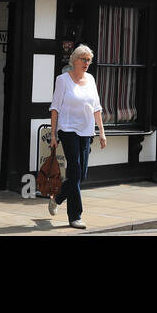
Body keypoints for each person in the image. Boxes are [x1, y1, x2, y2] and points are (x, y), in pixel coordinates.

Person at [48, 45, 107, 230]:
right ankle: (75, 216)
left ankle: (58, 197)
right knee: (75, 169)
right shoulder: (63, 80)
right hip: (68, 130)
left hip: (86, 130)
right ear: (74, 60)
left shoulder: (90, 79)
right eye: (84, 59)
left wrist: (102, 132)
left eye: (89, 60)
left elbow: (96, 107)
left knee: (81, 175)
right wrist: (53, 134)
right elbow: (55, 108)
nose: (87, 63)